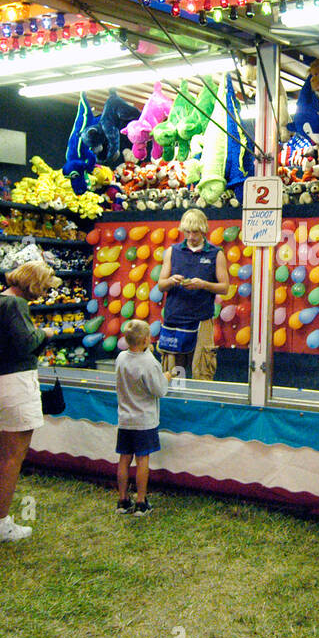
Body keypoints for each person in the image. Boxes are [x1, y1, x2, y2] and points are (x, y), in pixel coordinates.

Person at [0, 260, 59, 544]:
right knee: (14, 456)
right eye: (43, 288)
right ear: (34, 283)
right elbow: (27, 341)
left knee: (0, 451)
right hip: (15, 383)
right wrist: (48, 334)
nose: (43, 294)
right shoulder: (17, 305)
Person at [156, 209, 230, 381]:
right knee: (173, 372)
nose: (190, 236)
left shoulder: (215, 253)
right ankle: (175, 404)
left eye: (195, 232)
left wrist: (203, 284)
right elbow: (161, 285)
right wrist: (172, 280)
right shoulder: (172, 251)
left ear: (203, 230)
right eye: (187, 232)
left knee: (202, 371)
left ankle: (201, 406)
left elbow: (224, 288)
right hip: (174, 318)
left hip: (201, 320)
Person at [113, 318, 169, 516]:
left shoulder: (120, 358)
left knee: (124, 459)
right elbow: (159, 390)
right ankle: (141, 502)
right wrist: (167, 377)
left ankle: (122, 500)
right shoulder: (149, 363)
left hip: (125, 419)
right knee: (142, 460)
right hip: (144, 421)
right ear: (146, 340)